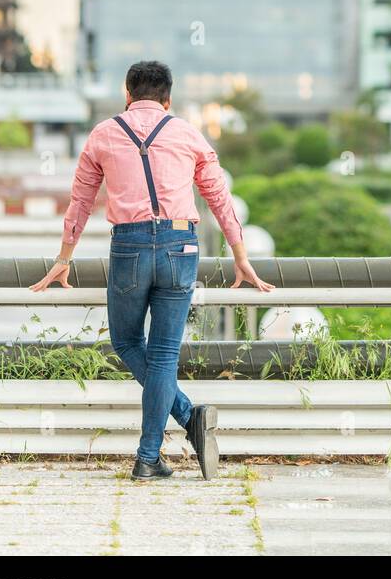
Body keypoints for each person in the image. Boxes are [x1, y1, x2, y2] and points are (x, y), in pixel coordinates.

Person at [30, 60, 274, 479]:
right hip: (181, 246)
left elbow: (80, 202)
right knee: (162, 355)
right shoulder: (188, 134)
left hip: (129, 246)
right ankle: (151, 455)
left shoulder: (104, 134)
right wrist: (240, 256)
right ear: (168, 98)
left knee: (127, 343)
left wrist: (64, 258)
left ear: (127, 93)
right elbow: (219, 198)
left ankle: (173, 433)